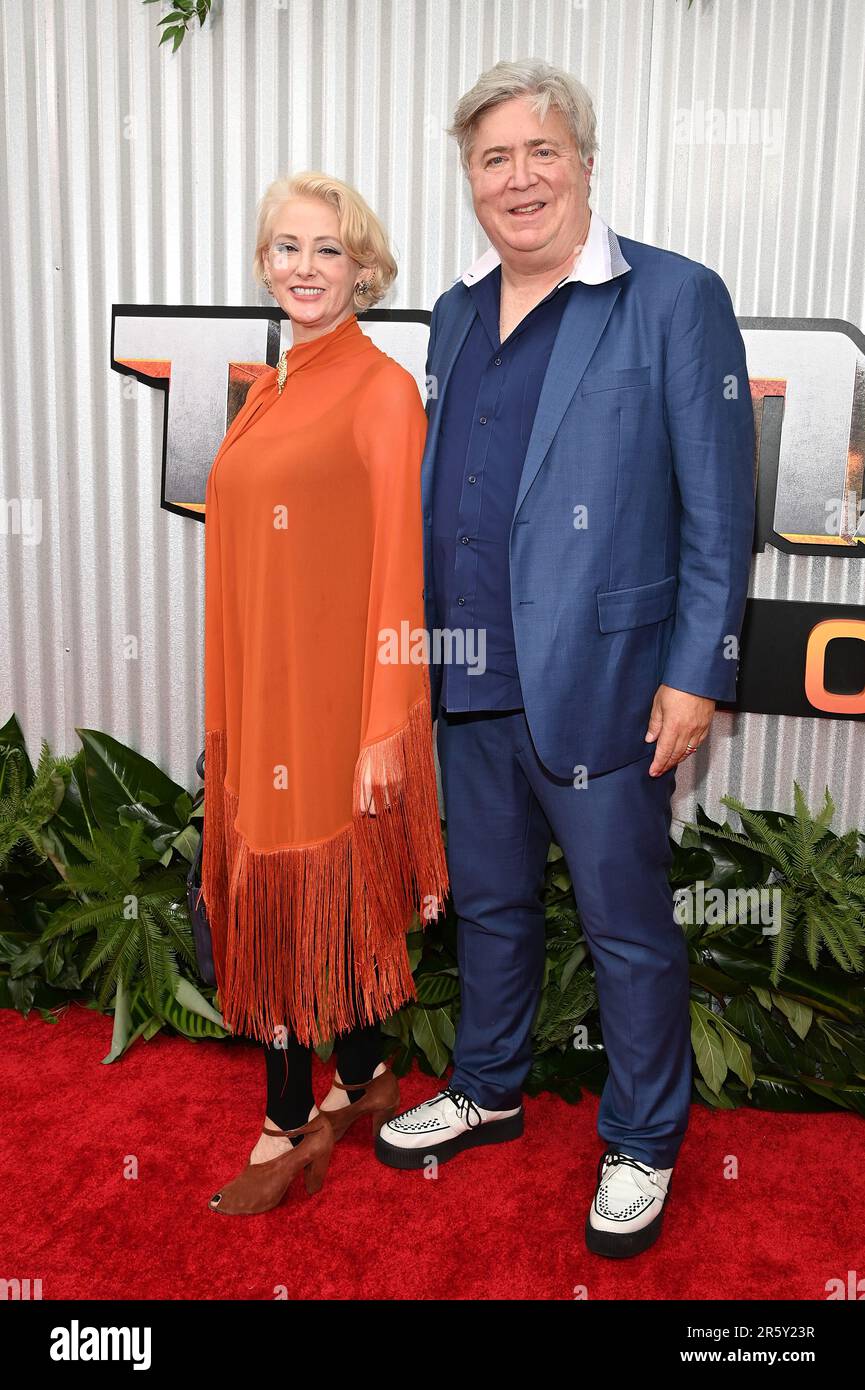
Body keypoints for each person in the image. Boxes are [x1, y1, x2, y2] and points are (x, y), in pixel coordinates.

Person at [376, 60, 756, 1259]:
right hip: (469, 677)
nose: (520, 178)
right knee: (488, 905)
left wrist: (695, 671)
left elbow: (720, 505)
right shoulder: (450, 311)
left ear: (586, 164)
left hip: (605, 685)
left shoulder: (672, 298)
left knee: (624, 923)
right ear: (470, 180)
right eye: (494, 159)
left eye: (542, 152)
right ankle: (487, 1085)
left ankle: (641, 1139)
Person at [200, 172, 448, 1215]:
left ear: (365, 269)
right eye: (287, 247)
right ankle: (363, 1071)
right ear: (265, 262)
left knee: (298, 897)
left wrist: (383, 722)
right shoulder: (273, 388)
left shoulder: (381, 389)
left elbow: (402, 563)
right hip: (265, 690)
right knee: (304, 889)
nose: (305, 267)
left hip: (337, 698)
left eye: (328, 250)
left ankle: (288, 1116)